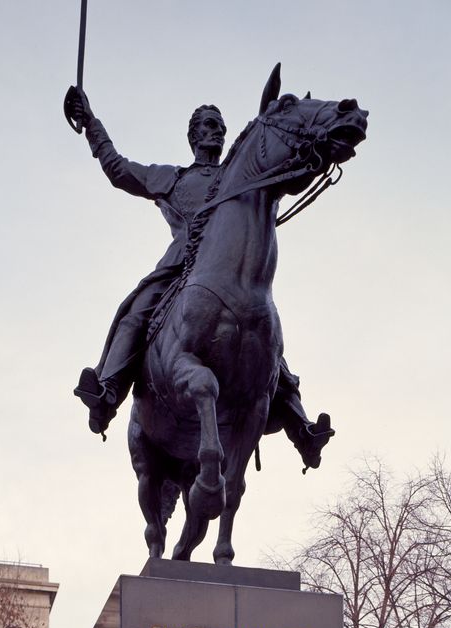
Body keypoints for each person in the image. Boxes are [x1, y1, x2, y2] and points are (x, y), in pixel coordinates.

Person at [69, 88, 333, 469]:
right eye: (209, 126)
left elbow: (286, 172)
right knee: (136, 310)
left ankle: (300, 428)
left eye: (221, 127)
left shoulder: (239, 173)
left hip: (232, 272)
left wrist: (318, 145)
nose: (217, 132)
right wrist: (91, 124)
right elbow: (118, 169)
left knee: (264, 338)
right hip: (182, 268)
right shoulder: (171, 179)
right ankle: (108, 391)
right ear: (193, 136)